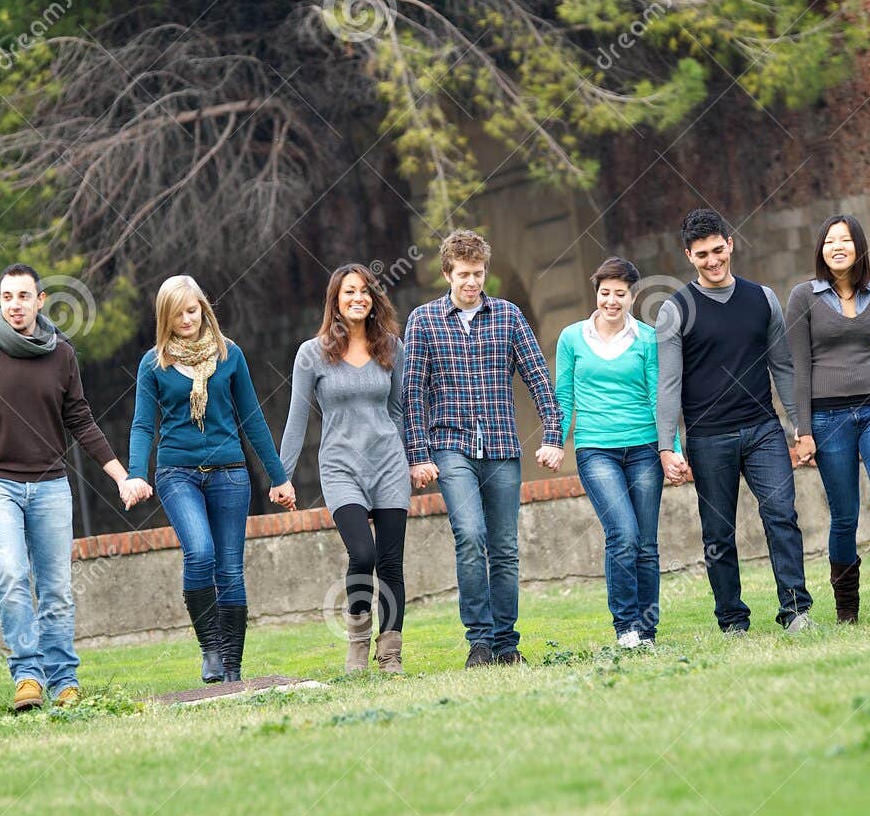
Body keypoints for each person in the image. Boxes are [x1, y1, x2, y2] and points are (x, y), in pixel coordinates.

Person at [0, 263, 135, 711]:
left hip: (48, 483)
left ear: (41, 301)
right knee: (10, 574)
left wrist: (120, 476)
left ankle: (64, 678)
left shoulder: (61, 354)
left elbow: (80, 419)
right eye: (6, 297)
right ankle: (27, 675)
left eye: (23, 296)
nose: (15, 305)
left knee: (57, 586)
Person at [403, 228, 564, 667]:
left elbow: (537, 377)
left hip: (500, 446)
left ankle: (506, 642)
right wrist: (418, 455)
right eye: (463, 275)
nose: (471, 282)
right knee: (471, 536)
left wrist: (553, 434)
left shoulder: (508, 317)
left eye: (477, 274)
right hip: (450, 446)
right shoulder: (424, 321)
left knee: (505, 546)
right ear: (447, 274)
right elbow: (413, 393)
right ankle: (479, 641)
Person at [125, 274, 293, 684]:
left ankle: (233, 669)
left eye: (193, 309)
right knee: (200, 553)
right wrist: (134, 473)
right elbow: (143, 425)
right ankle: (211, 650)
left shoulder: (228, 355)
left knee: (231, 571)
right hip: (176, 473)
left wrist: (279, 478)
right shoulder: (154, 363)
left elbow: (252, 418)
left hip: (231, 474)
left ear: (203, 307)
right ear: (165, 316)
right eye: (178, 312)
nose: (187, 319)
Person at [656, 208, 814, 635]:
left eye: (718, 250)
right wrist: (666, 446)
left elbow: (782, 366)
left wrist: (801, 427)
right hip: (708, 439)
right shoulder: (675, 310)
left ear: (731, 243)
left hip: (764, 429)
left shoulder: (762, 298)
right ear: (689, 255)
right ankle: (732, 619)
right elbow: (668, 384)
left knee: (781, 514)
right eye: (702, 254)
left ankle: (796, 610)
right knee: (718, 533)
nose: (713, 260)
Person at [787, 214, 870, 624]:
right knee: (845, 515)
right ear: (821, 250)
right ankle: (847, 611)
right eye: (829, 241)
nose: (837, 247)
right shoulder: (802, 297)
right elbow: (800, 367)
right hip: (828, 420)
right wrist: (804, 431)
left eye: (845, 240)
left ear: (859, 247)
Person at [279, 263, 410, 676]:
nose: (358, 298)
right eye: (349, 292)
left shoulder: (391, 346)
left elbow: (398, 412)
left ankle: (390, 654)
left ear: (374, 299)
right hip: (341, 468)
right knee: (363, 553)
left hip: (388, 464)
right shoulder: (312, 353)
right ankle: (357, 644)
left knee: (390, 562)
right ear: (336, 300)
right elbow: (297, 417)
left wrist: (413, 459)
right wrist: (282, 475)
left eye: (365, 291)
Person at [554, 257, 673, 650]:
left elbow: (660, 395)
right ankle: (626, 628)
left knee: (646, 543)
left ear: (632, 295)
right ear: (597, 292)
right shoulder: (572, 338)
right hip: (595, 449)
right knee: (622, 533)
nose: (611, 301)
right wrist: (555, 440)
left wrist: (670, 448)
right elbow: (565, 396)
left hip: (643, 448)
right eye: (605, 293)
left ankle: (648, 630)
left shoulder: (647, 338)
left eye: (619, 294)